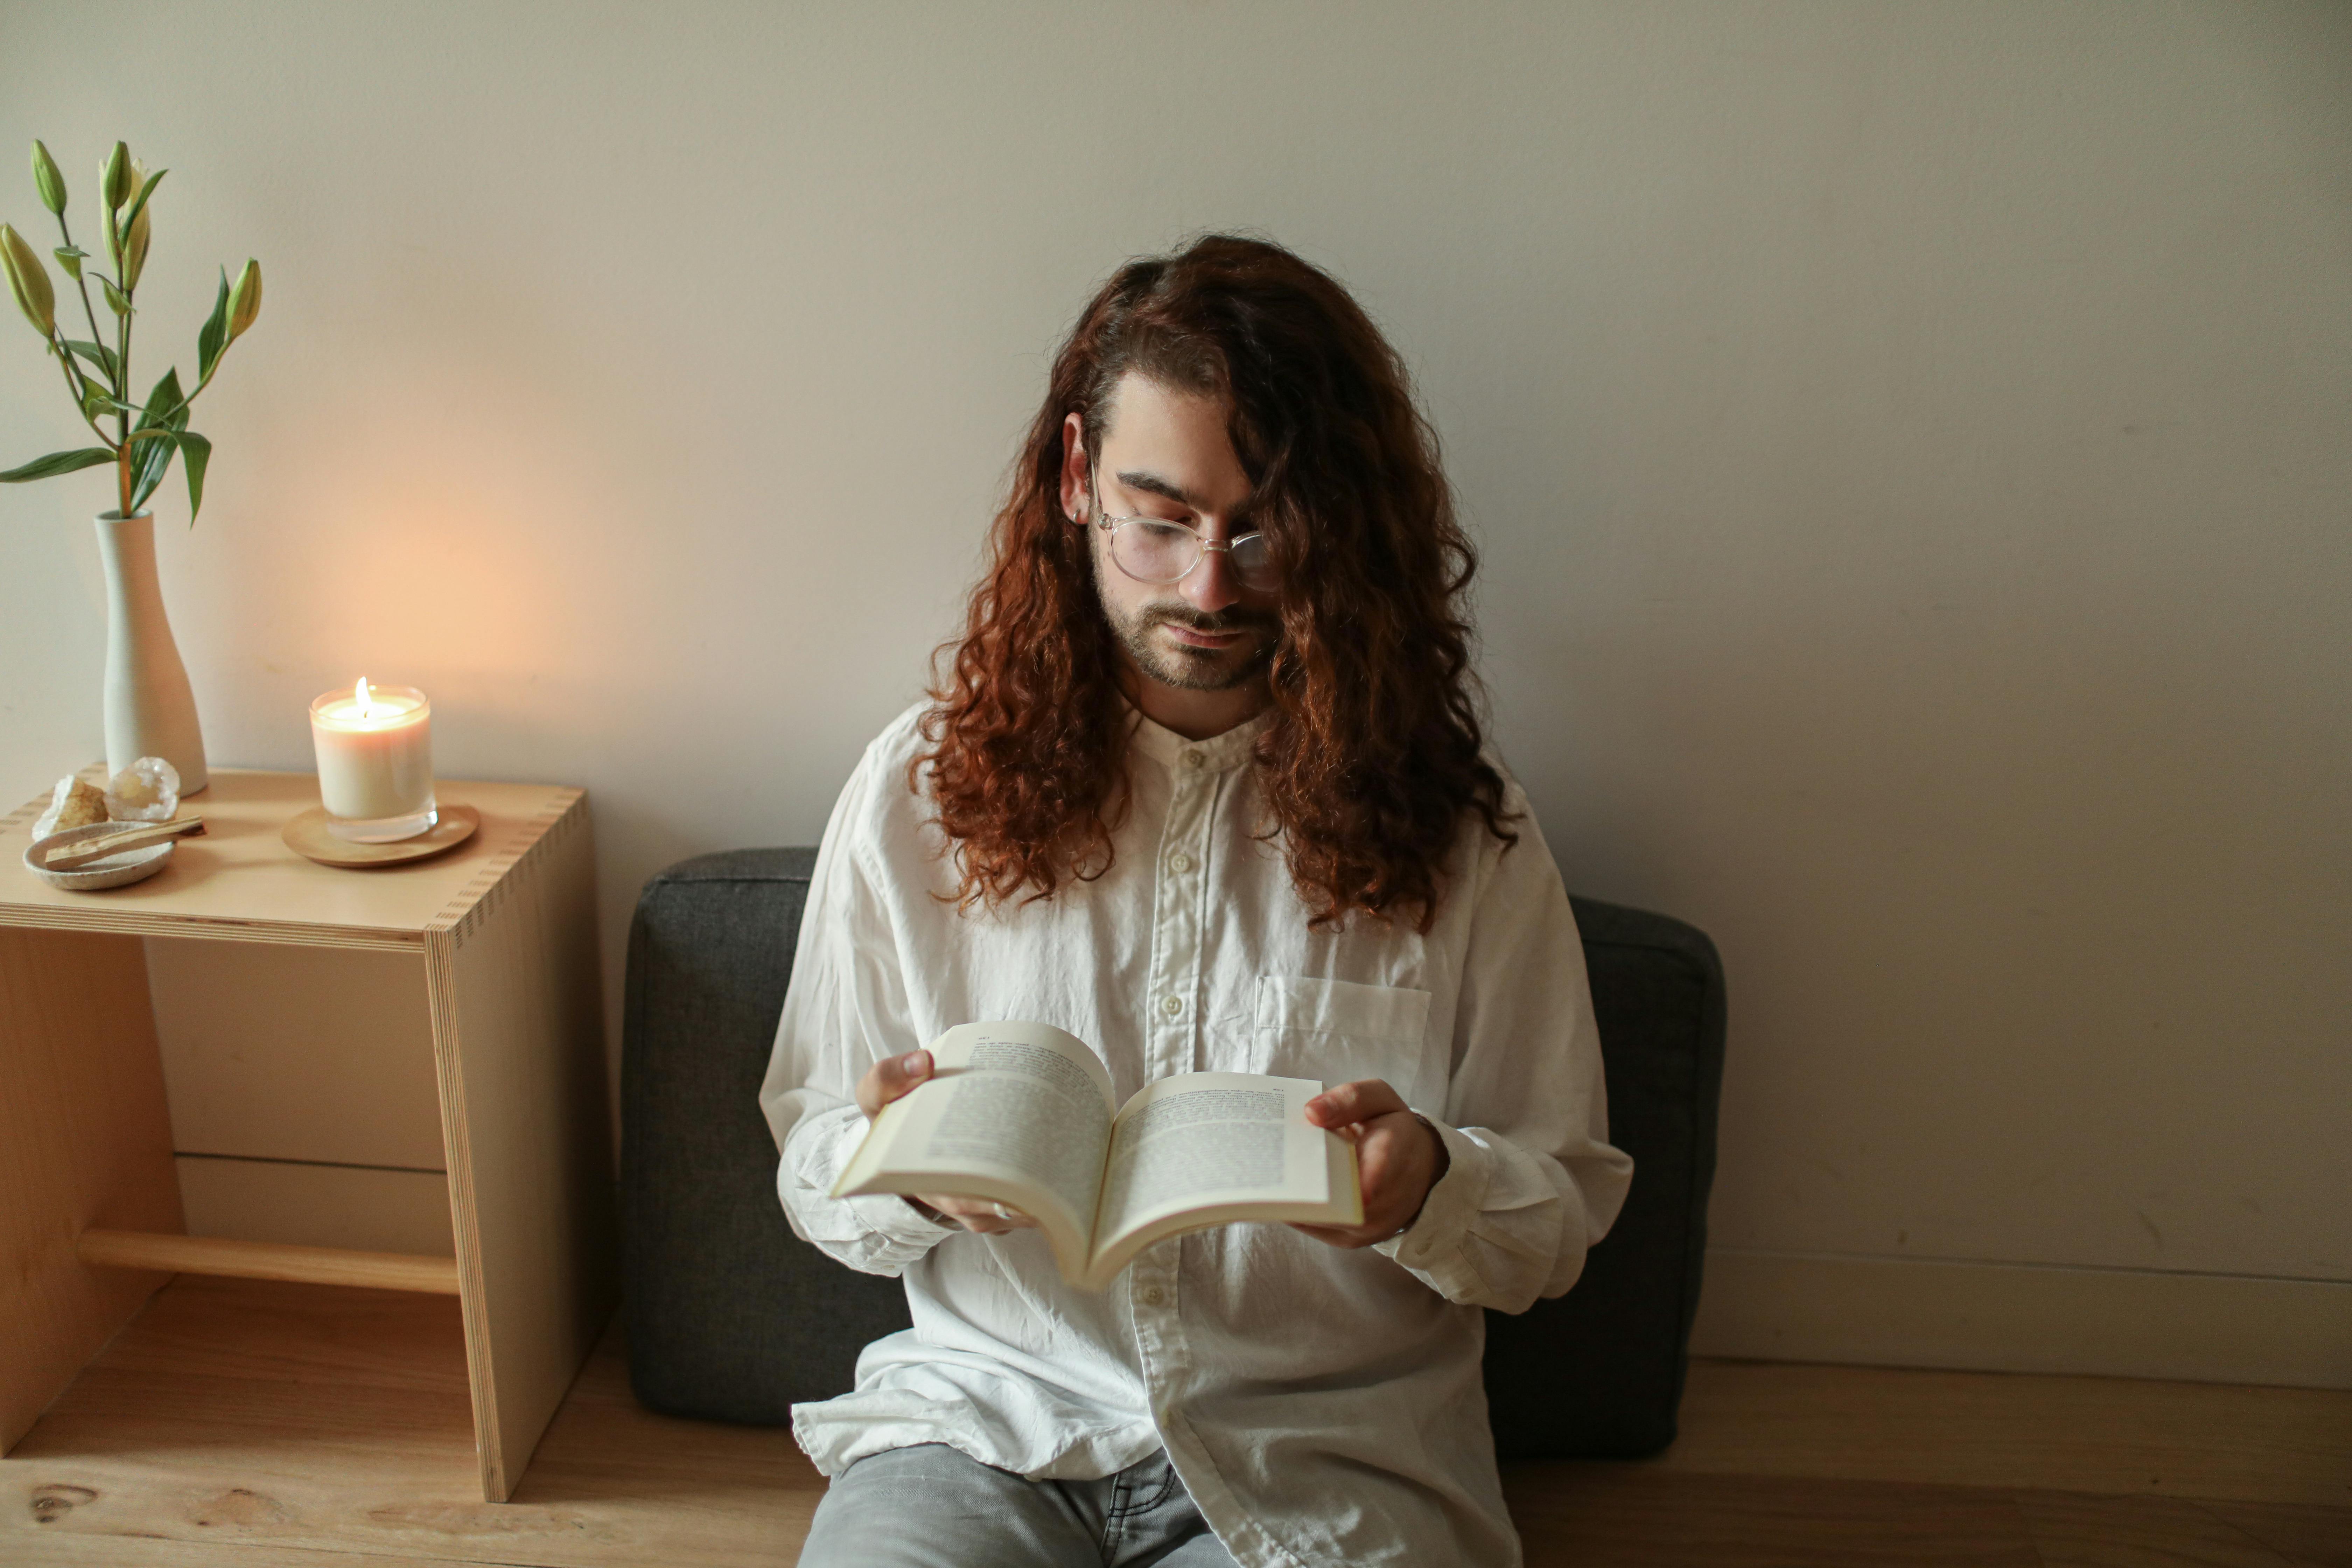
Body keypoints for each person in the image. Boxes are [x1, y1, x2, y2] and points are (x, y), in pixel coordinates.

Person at [760, 234, 1632, 1568]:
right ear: (1075, 480)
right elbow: (811, 1152)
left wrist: (1430, 1188)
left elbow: (1561, 1199)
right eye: (1160, 517)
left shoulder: (1451, 820)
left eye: (1264, 525)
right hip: (990, 1424)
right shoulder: (917, 788)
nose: (1210, 585)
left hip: (1327, 1462)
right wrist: (908, 1174)